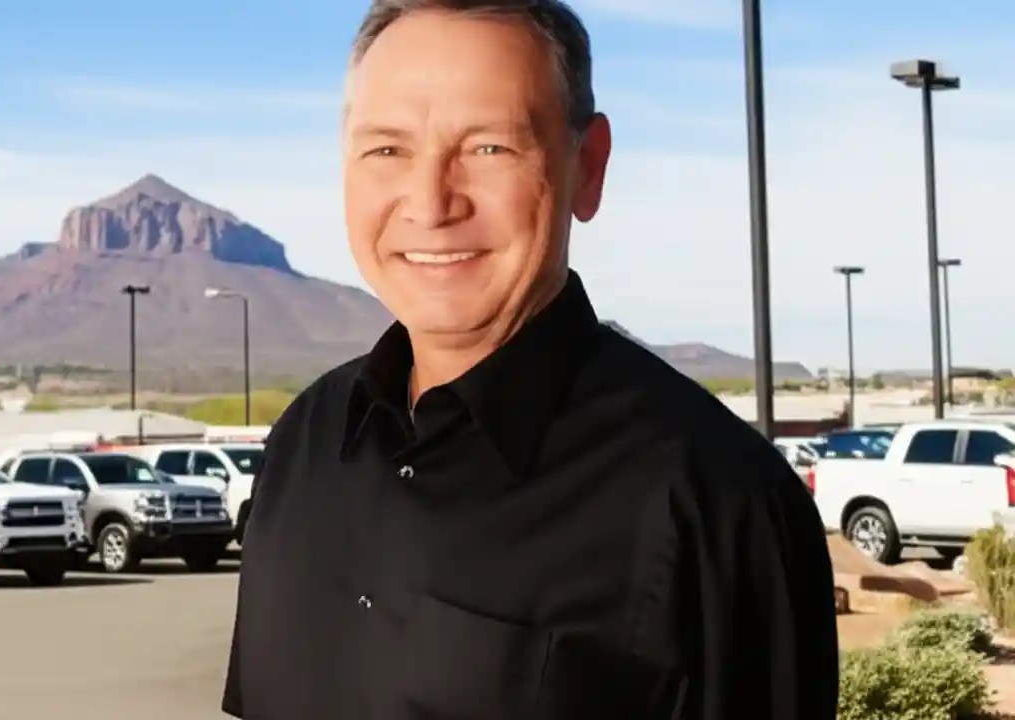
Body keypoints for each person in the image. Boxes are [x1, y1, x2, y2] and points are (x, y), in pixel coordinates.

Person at [222, 1, 838, 717]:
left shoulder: (717, 500)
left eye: (489, 148)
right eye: (387, 149)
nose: (430, 202)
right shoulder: (305, 442)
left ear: (589, 167)